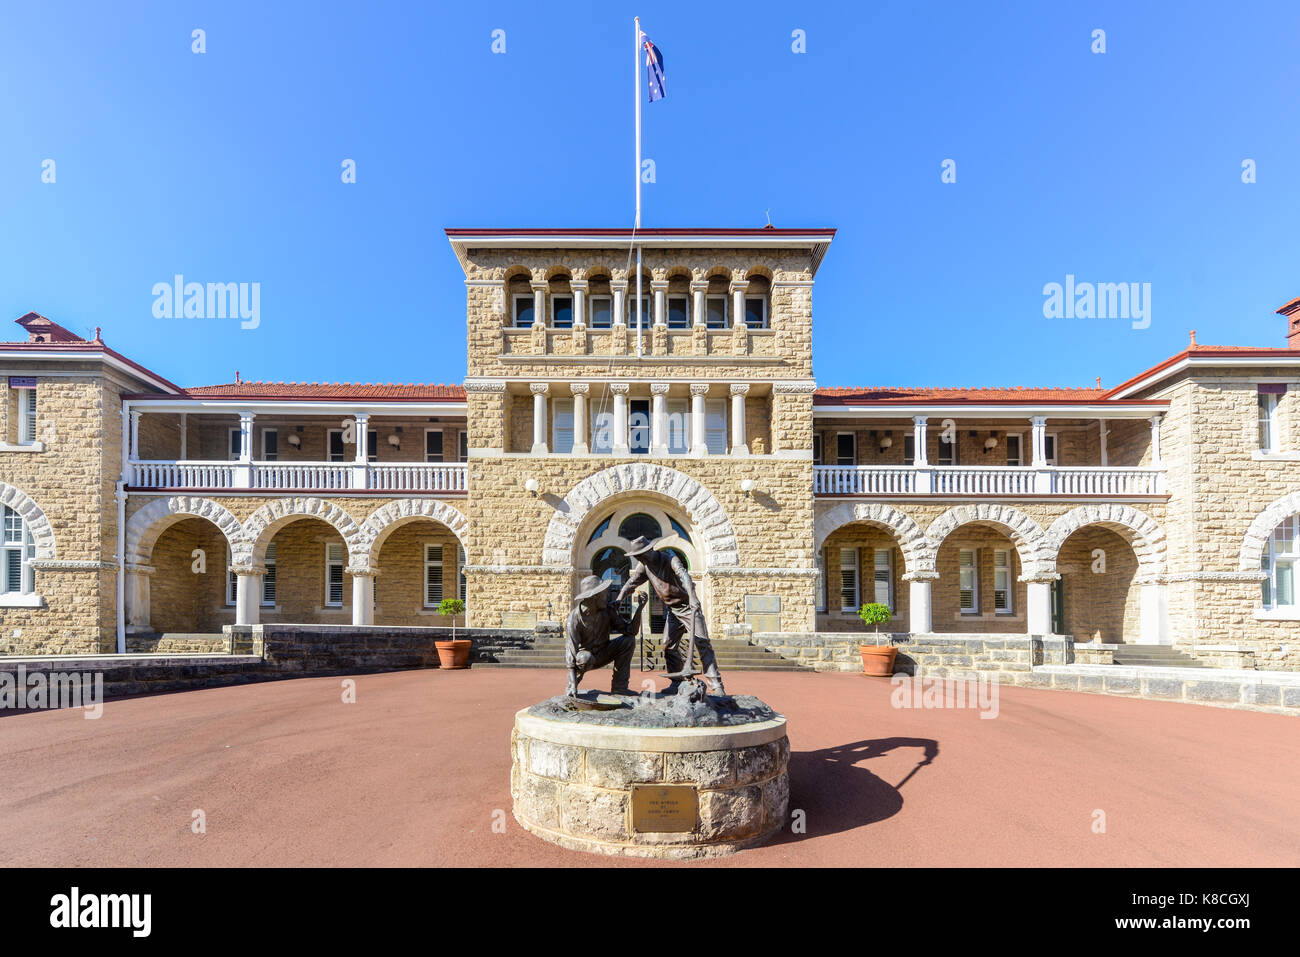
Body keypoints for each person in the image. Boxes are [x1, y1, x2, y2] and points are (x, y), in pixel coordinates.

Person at [615, 536, 726, 696]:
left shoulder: (670, 559)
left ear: (648, 551)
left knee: (702, 643)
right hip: (672, 611)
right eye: (636, 556)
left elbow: (684, 576)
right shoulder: (644, 566)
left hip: (689, 607)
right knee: (668, 645)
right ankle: (677, 683)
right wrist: (619, 599)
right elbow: (630, 583)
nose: (638, 558)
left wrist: (693, 597)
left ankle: (716, 686)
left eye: (639, 555)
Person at [564, 574, 644, 698]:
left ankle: (620, 688)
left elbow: (630, 631)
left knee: (628, 640)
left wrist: (639, 609)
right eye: (604, 594)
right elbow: (571, 653)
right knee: (585, 657)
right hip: (585, 659)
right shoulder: (574, 619)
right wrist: (572, 685)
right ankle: (571, 687)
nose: (607, 596)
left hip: (604, 652)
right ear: (595, 597)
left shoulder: (608, 611)